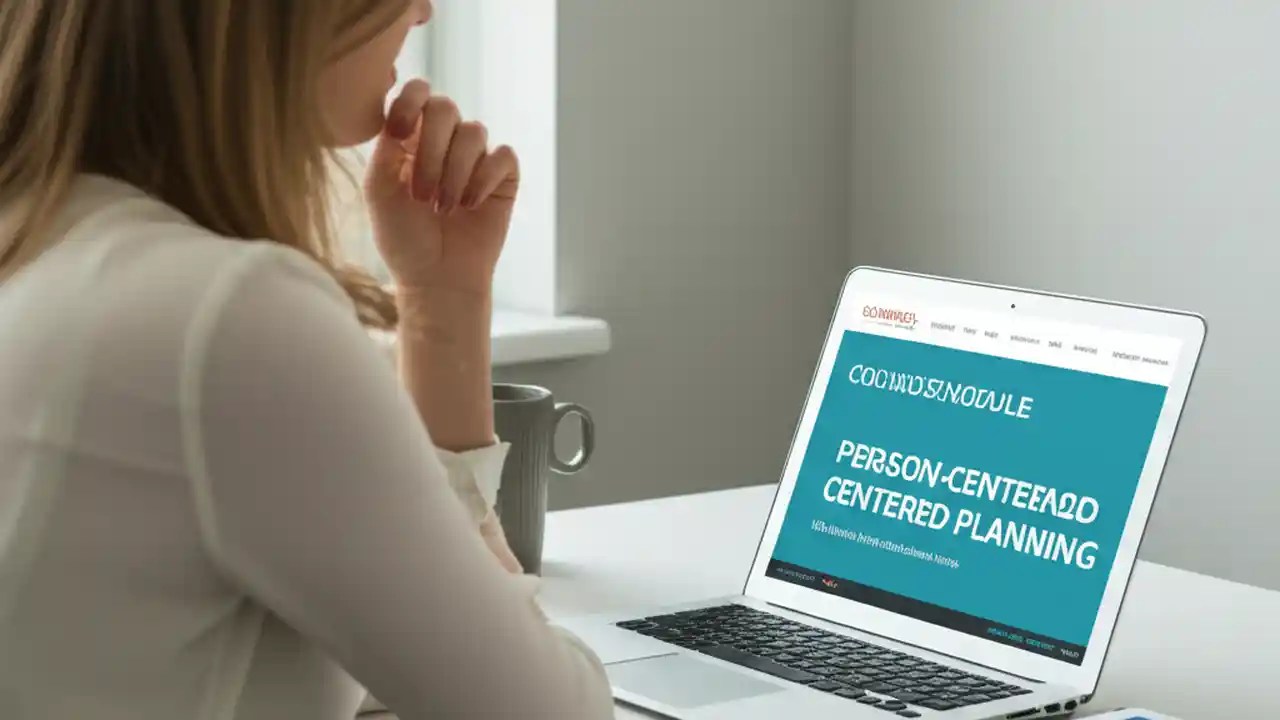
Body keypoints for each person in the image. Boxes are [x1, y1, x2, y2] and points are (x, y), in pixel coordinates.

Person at [0, 1, 614, 718]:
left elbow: (392, 666)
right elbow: (547, 710)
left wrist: (443, 300)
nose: (423, 11)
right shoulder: (227, 317)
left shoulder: (51, 243)